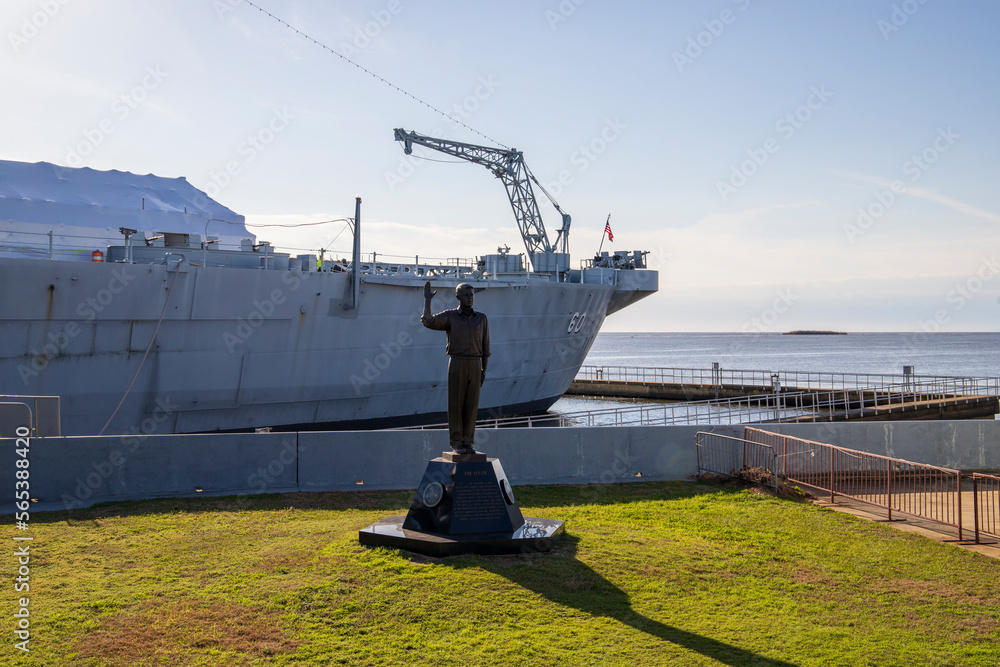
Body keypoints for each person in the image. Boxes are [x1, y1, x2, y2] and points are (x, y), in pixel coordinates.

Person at [421, 281, 490, 455]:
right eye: (466, 295)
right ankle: (456, 442)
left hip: (476, 364)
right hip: (457, 362)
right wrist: (427, 301)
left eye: (472, 294)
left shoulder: (481, 318)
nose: (470, 298)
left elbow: (486, 347)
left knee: (472, 405)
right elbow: (428, 321)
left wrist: (484, 370)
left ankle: (468, 441)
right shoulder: (450, 316)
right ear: (458, 297)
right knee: (456, 404)